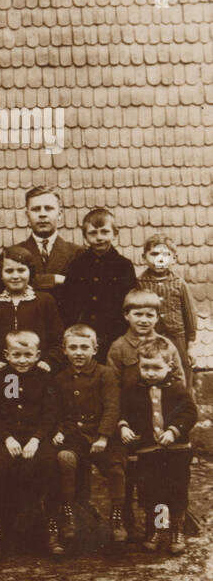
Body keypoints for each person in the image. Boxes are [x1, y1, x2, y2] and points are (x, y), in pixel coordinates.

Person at [106, 288, 183, 540]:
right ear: (126, 315)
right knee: (127, 473)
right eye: (137, 313)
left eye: (150, 314)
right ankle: (125, 519)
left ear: (157, 317)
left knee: (164, 480)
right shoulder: (118, 347)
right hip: (130, 425)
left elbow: (180, 384)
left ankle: (162, 527)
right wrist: (120, 423)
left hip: (161, 429)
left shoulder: (167, 346)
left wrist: (174, 426)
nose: (143, 320)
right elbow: (111, 389)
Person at [0, 330, 59, 560]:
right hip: (7, 438)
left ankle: (51, 528)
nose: (22, 360)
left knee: (48, 463)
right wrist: (7, 438)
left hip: (36, 437)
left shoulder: (45, 379)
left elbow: (50, 413)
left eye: (28, 355)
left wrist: (36, 438)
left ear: (37, 355)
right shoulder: (2, 378)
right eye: (16, 355)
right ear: (7, 355)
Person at [118, 338, 198, 556]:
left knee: (176, 490)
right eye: (145, 367)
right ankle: (155, 530)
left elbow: (190, 412)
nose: (150, 373)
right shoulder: (133, 390)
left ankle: (175, 531)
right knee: (152, 491)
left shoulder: (178, 389)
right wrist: (124, 426)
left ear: (169, 366)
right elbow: (123, 410)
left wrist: (174, 430)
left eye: (156, 368)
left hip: (177, 452)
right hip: (148, 452)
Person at [51, 325, 124, 553]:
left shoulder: (105, 374)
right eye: (73, 347)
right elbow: (54, 410)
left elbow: (112, 407)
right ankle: (69, 515)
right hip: (72, 437)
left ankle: (117, 519)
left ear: (95, 349)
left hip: (100, 436)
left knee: (116, 470)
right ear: (64, 350)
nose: (78, 353)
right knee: (65, 459)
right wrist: (59, 429)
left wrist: (103, 436)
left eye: (84, 347)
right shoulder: (60, 378)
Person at [61, 207, 136, 362]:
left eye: (104, 232)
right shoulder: (76, 265)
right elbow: (68, 301)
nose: (99, 237)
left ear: (115, 234)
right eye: (93, 233)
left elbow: (130, 303)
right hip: (83, 338)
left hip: (115, 334)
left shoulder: (124, 266)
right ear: (85, 237)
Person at [0, 246, 65, 370]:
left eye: (21, 270)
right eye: (9, 271)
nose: (15, 276)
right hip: (4, 370)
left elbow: (57, 339)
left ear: (30, 272)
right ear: (0, 274)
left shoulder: (44, 300)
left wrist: (49, 361)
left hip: (39, 368)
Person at [135, 234, 198, 385]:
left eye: (165, 254)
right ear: (144, 257)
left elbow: (190, 316)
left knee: (181, 375)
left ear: (174, 258)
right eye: (154, 254)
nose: (160, 259)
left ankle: (185, 405)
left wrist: (190, 346)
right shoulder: (139, 284)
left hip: (177, 338)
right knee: (153, 374)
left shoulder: (179, 283)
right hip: (149, 338)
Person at [16, 186, 83, 322]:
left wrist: (37, 280)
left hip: (67, 328)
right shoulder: (14, 253)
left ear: (59, 214)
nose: (42, 214)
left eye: (48, 208)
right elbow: (10, 283)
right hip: (27, 329)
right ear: (27, 215)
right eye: (36, 209)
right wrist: (55, 279)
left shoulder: (78, 253)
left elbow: (80, 289)